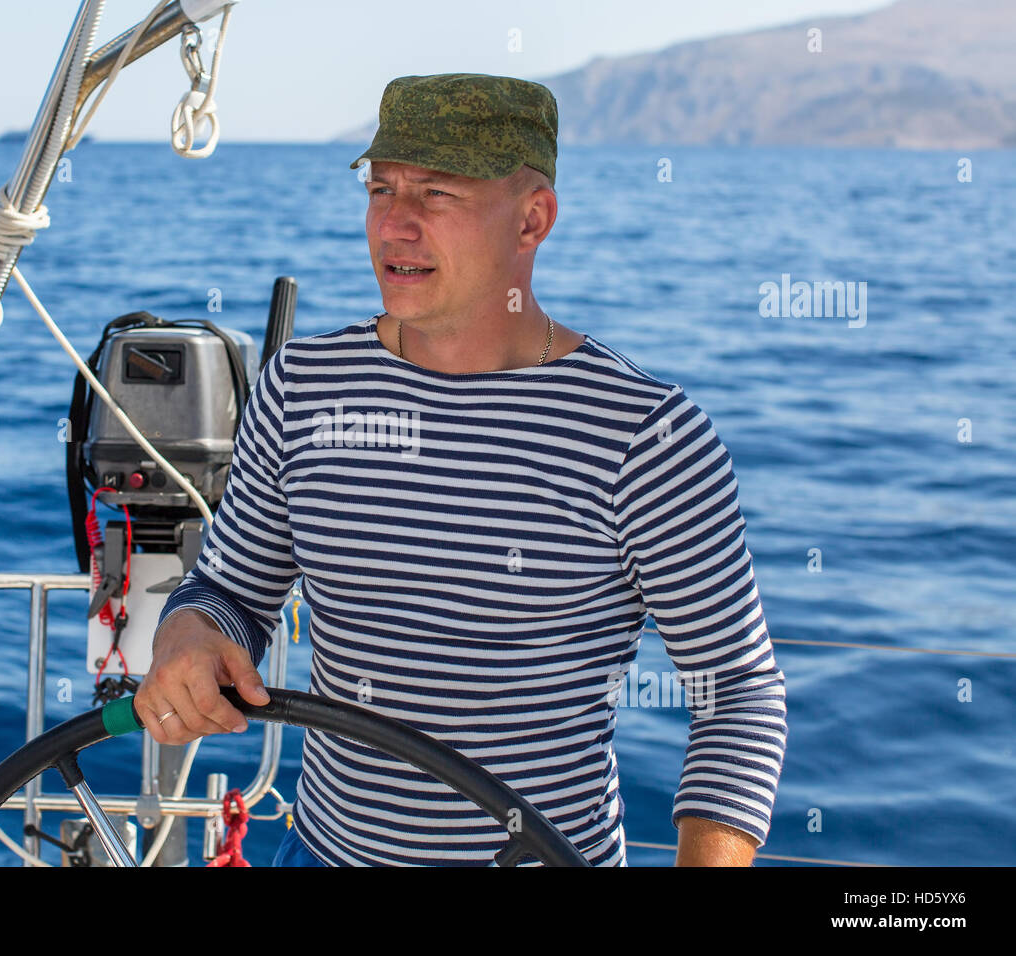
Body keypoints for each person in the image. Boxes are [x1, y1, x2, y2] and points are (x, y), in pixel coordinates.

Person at [134, 72, 787, 867]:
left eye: (437, 194)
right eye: (382, 189)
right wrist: (188, 637)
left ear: (532, 219)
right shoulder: (302, 385)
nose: (395, 226)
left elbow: (739, 696)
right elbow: (230, 591)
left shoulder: (643, 435)